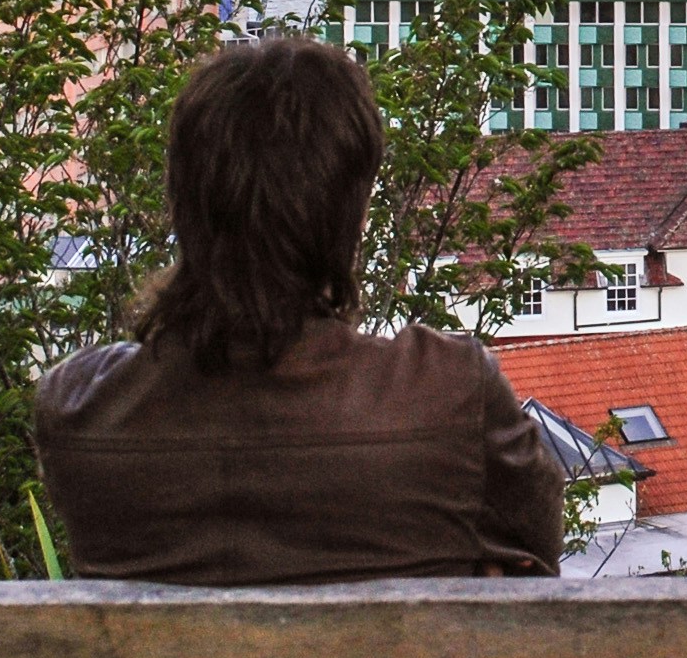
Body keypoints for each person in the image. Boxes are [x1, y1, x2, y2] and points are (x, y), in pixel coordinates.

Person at [36, 36, 564, 584]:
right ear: (350, 214)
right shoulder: (449, 392)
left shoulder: (79, 408)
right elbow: (534, 567)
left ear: (182, 200)